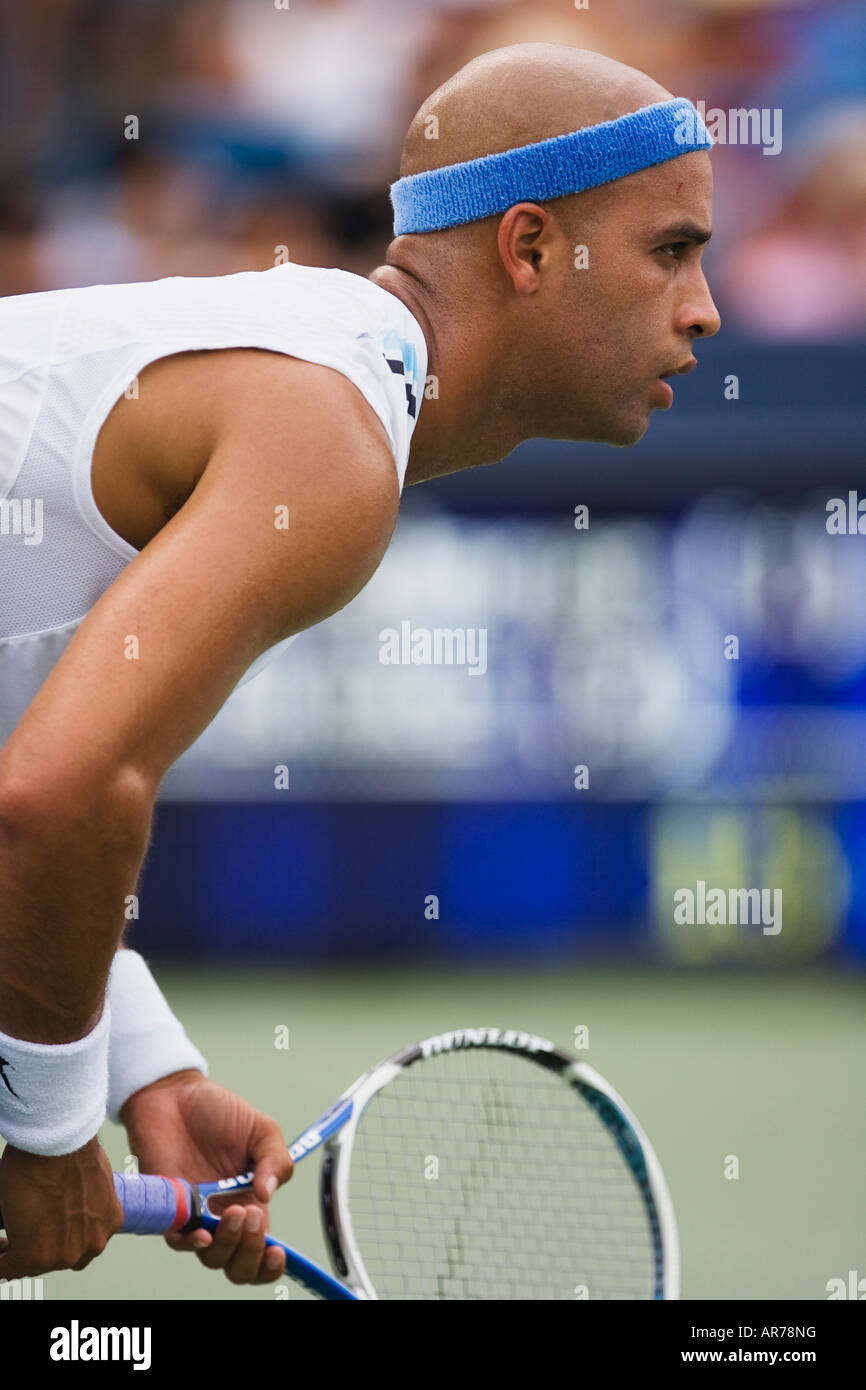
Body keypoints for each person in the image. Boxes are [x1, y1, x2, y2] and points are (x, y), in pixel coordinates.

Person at [0, 43, 720, 1286]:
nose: (703, 305)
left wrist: (141, 1070)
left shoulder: (309, 370)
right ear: (532, 249)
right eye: (671, 250)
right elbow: (60, 795)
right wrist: (47, 1131)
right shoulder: (329, 438)